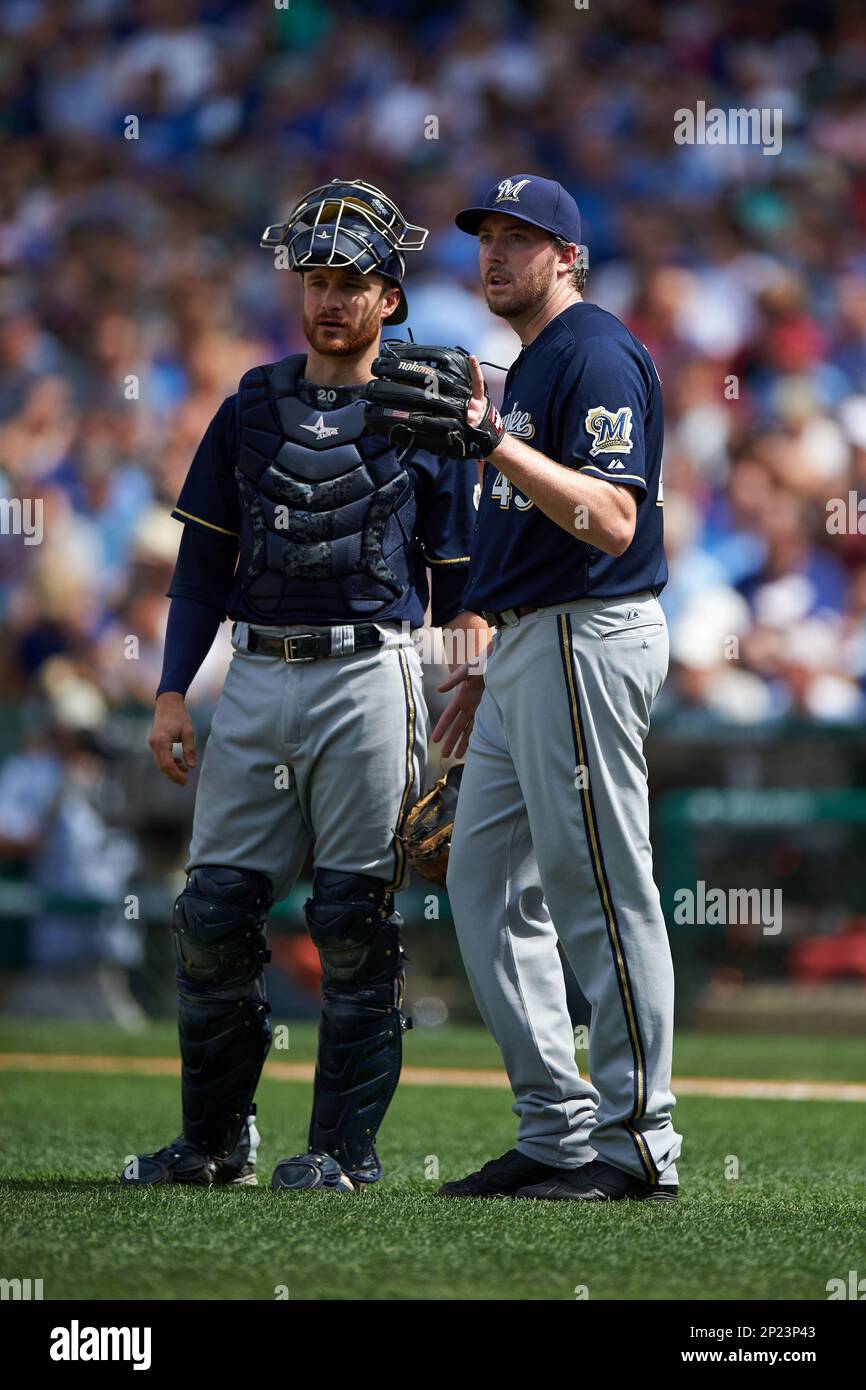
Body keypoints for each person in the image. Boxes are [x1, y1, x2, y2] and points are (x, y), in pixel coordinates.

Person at [121, 179, 485, 1193]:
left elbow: (461, 590)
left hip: (373, 667)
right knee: (215, 911)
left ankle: (341, 1152)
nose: (329, 299)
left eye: (351, 281)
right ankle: (212, 1145)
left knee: (353, 918)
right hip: (257, 671)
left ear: (389, 296)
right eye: (315, 279)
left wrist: (463, 707)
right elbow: (203, 565)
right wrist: (167, 691)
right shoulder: (249, 402)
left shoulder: (426, 408)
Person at [369, 173, 680, 1202]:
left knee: (598, 883)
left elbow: (613, 521)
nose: (495, 254)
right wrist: (491, 660)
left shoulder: (589, 350)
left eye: (521, 238)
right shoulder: (534, 361)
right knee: (486, 883)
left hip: (588, 635)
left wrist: (492, 438)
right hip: (526, 648)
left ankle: (636, 1142)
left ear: (567, 257)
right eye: (485, 236)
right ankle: (553, 1130)